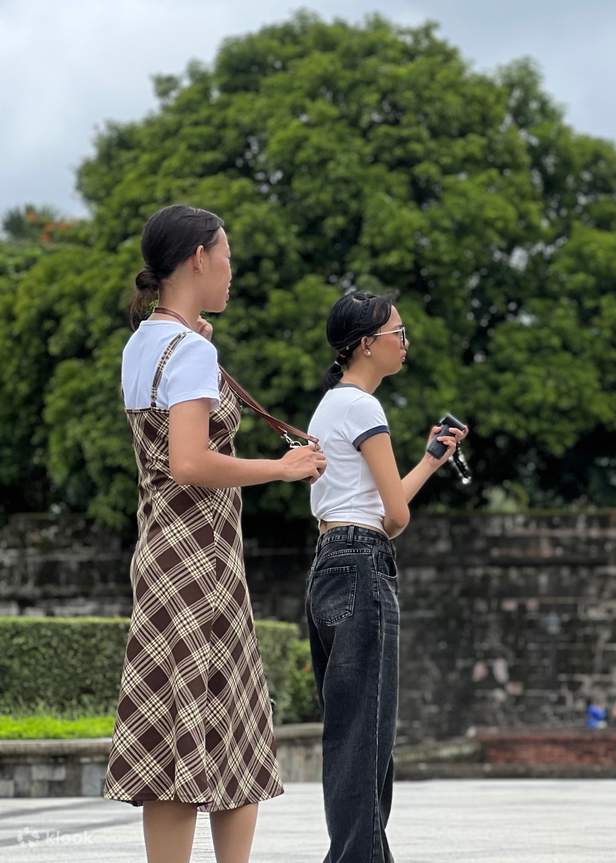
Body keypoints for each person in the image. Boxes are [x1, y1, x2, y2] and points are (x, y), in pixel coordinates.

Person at [104, 205, 327, 863]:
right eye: (225, 255)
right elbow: (191, 461)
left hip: (160, 555)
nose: (231, 270)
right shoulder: (192, 350)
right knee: (231, 727)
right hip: (203, 560)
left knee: (174, 732)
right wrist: (282, 467)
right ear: (198, 257)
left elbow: (166, 456)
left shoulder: (145, 341)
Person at [306, 291, 466, 862]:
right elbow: (393, 517)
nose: (405, 341)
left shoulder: (329, 407)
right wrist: (400, 505)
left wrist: (427, 461)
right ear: (367, 343)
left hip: (329, 563)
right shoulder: (365, 410)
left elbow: (380, 502)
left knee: (350, 732)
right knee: (369, 738)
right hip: (363, 567)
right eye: (398, 332)